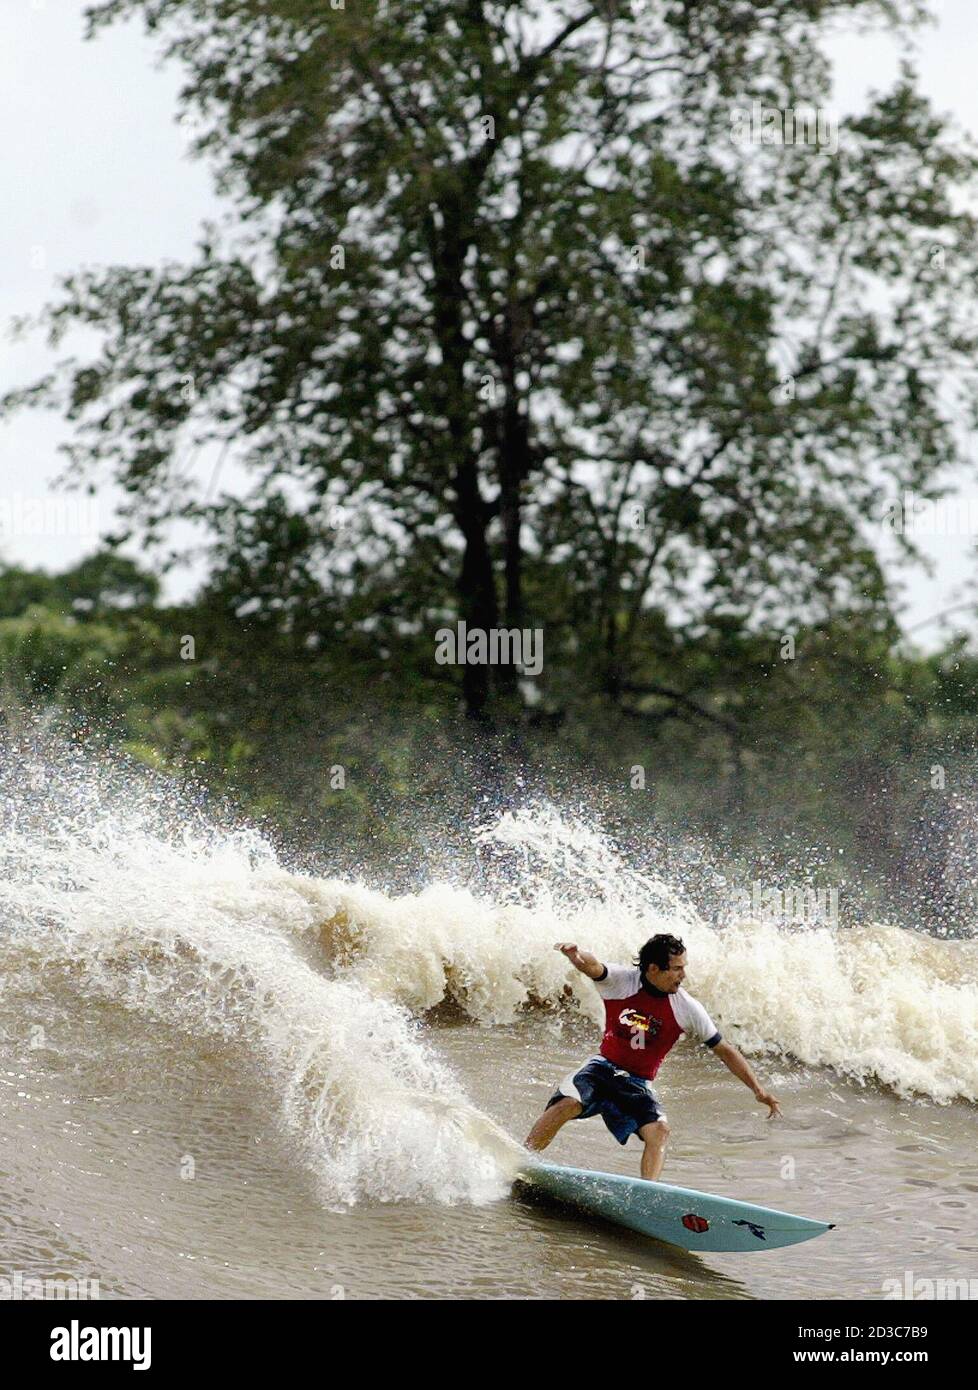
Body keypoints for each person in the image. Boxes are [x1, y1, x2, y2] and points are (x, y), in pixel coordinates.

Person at [524, 934, 782, 1180]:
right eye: (676, 968)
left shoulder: (687, 1008)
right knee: (567, 1104)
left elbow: (725, 1050)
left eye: (684, 967)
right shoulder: (623, 981)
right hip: (601, 1069)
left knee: (659, 1131)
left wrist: (758, 1091)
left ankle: (646, 1192)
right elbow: (593, 967)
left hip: (637, 1083)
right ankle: (524, 1160)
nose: (683, 975)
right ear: (653, 969)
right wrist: (575, 956)